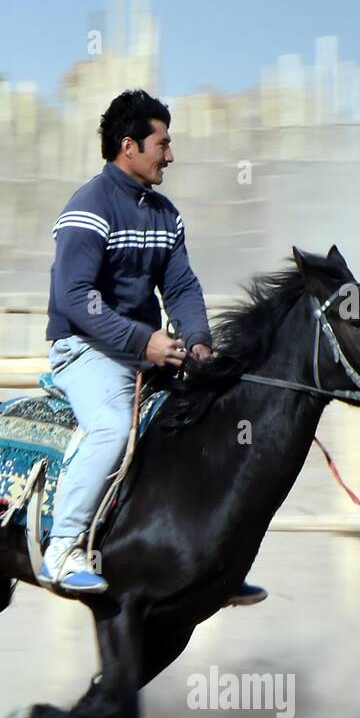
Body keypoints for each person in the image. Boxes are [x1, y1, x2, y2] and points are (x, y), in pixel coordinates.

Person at [39, 90, 266, 606]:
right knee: (113, 426)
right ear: (129, 146)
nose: (170, 155)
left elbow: (182, 287)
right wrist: (146, 341)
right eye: (162, 143)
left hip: (143, 354)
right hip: (83, 352)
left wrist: (200, 342)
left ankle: (211, 563)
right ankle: (63, 548)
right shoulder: (87, 208)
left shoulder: (165, 214)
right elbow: (73, 298)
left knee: (209, 423)